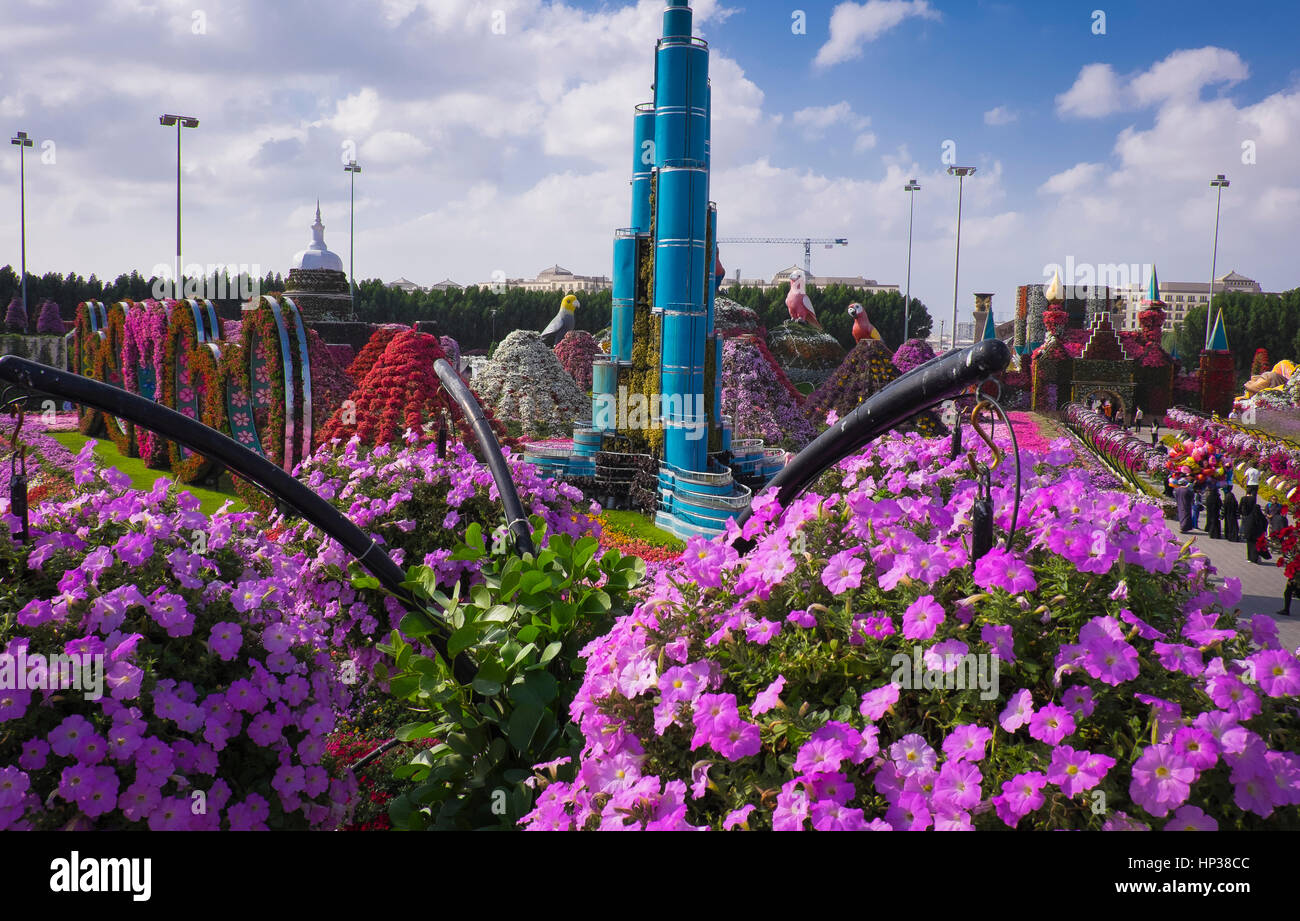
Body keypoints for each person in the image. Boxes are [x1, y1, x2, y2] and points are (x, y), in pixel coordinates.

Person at [1241, 495, 1267, 563]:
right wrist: (1264, 531)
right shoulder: (1261, 517)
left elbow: (1247, 526)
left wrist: (1246, 534)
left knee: (1250, 547)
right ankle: (1256, 558)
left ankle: (1251, 558)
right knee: (1256, 547)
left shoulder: (1251, 517)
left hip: (1251, 536)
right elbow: (1265, 523)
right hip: (1258, 535)